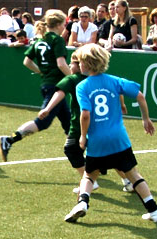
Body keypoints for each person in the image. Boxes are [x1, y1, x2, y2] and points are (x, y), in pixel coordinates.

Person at [64, 43, 157, 223]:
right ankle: (155, 211)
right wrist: (146, 119)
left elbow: (85, 114)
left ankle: (82, 203)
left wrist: (82, 136)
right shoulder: (114, 80)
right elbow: (140, 95)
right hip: (119, 138)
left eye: (80, 61)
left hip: (97, 140)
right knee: (133, 174)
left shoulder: (82, 86)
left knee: (89, 175)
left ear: (86, 63)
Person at [39, 48, 137, 195]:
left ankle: (90, 181)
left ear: (80, 65)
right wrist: (122, 104)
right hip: (100, 124)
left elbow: (59, 93)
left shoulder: (72, 79)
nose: (69, 66)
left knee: (71, 150)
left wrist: (47, 109)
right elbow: (119, 90)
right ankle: (128, 181)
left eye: (72, 63)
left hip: (81, 126)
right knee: (112, 155)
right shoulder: (100, 78)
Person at [0, 9, 72, 162]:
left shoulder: (39, 40)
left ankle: (78, 154)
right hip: (55, 87)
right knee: (42, 122)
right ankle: (10, 139)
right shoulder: (57, 40)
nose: (65, 27)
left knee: (69, 123)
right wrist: (73, 78)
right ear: (58, 24)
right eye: (64, 24)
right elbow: (61, 63)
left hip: (47, 85)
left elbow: (27, 61)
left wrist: (41, 72)